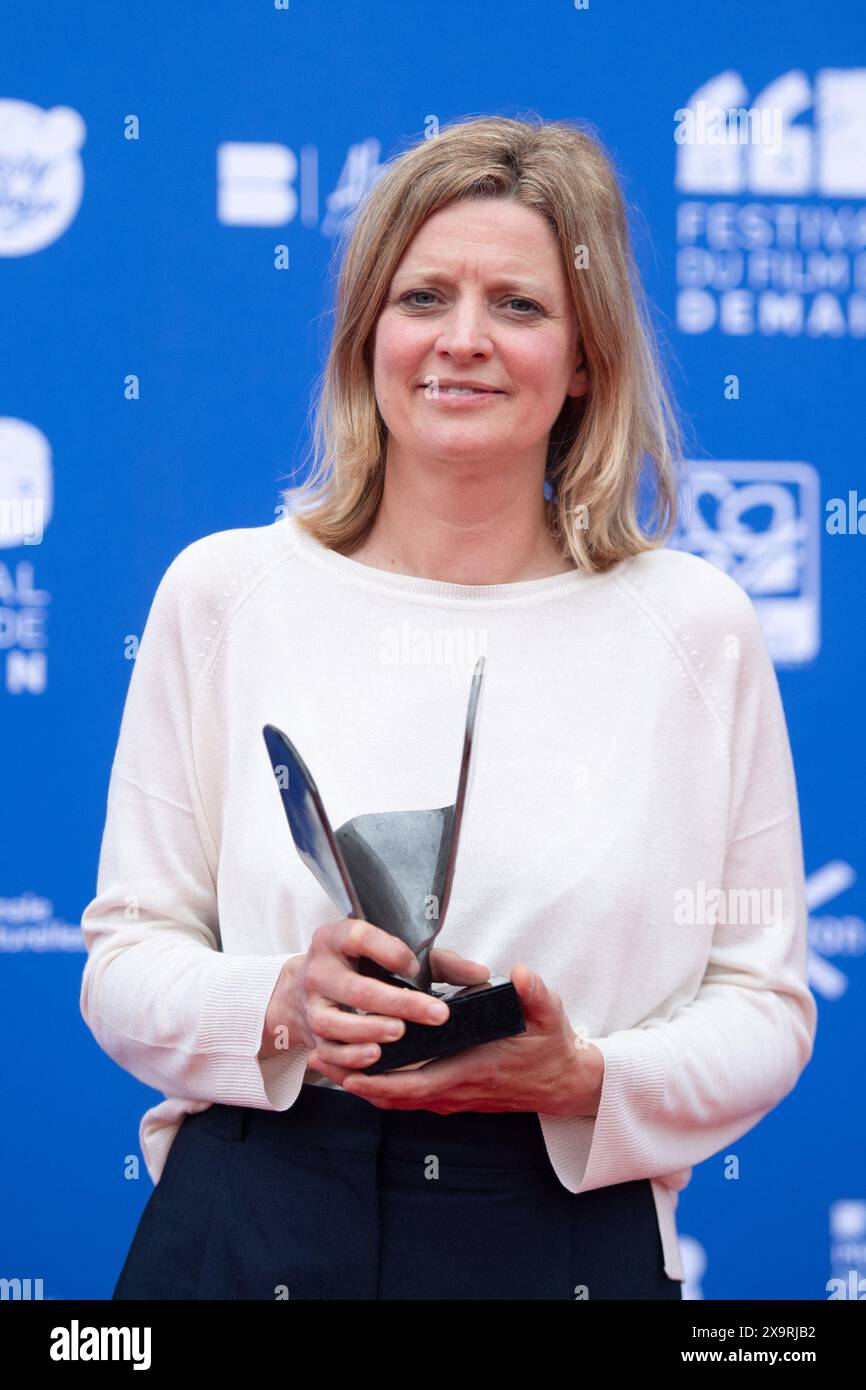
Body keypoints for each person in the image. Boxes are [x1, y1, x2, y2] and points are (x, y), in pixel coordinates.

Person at [80, 114, 817, 1301]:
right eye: (423, 296)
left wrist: (578, 1076)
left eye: (517, 306)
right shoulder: (223, 593)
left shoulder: (695, 629)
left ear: (586, 356)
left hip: (558, 1226)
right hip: (247, 1217)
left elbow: (762, 1008)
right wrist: (278, 1003)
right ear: (368, 331)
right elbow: (123, 961)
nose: (461, 341)